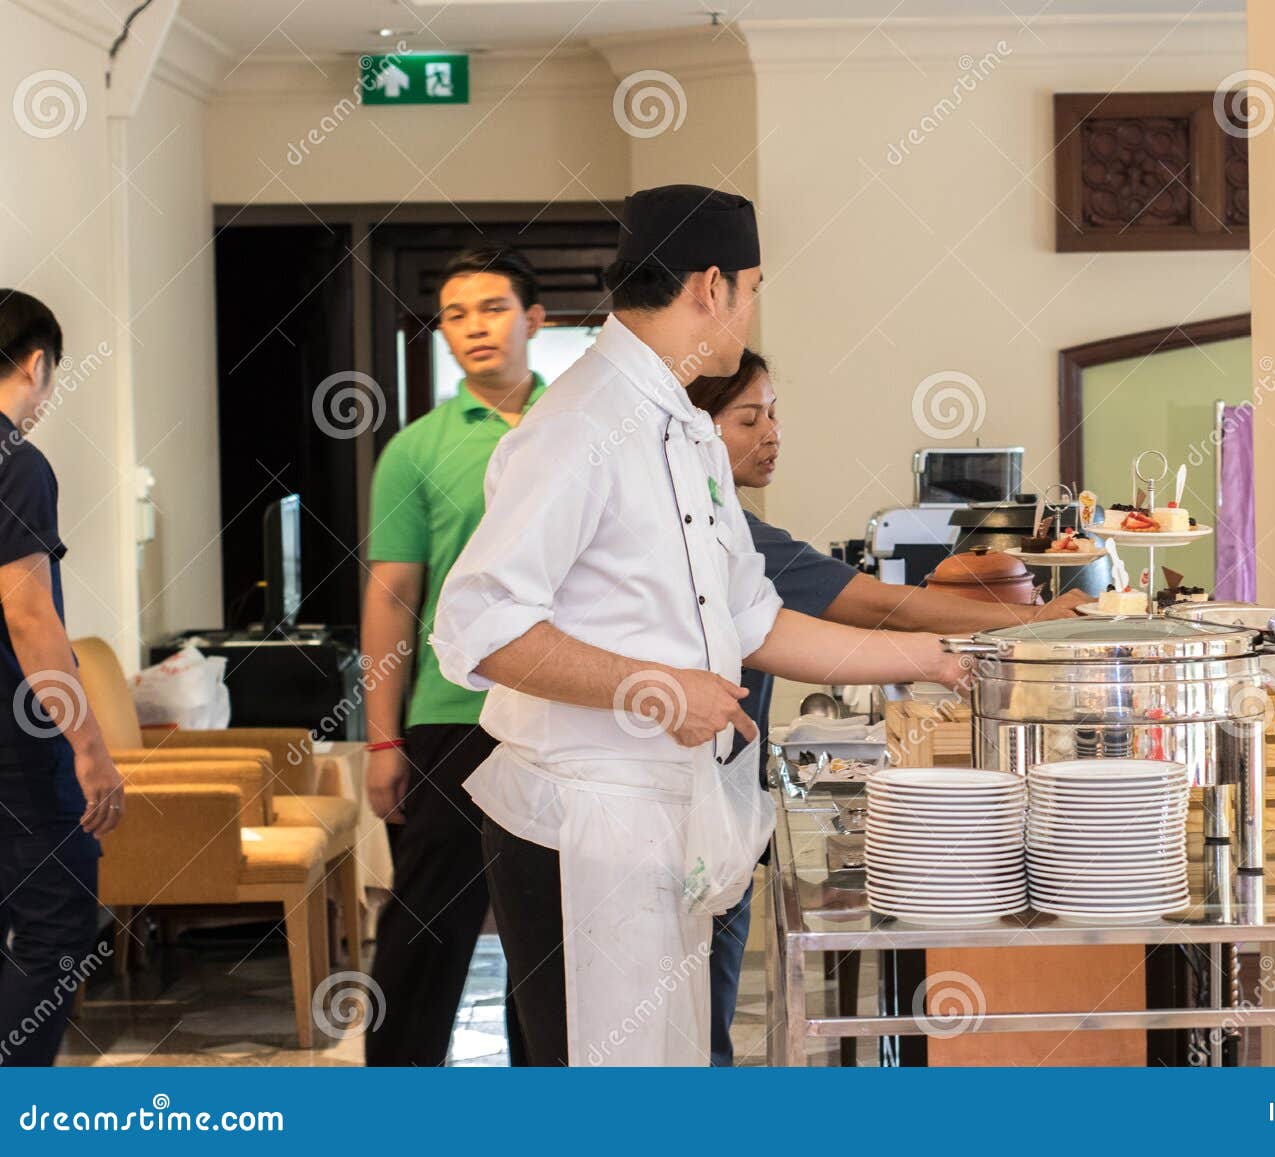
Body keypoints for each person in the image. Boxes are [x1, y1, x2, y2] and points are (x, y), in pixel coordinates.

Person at [430, 183, 968, 1066]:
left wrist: (935, 657)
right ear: (710, 286)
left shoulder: (680, 426)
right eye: (752, 286)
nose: (751, 307)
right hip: (580, 832)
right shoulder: (579, 423)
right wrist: (654, 687)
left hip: (660, 827)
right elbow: (478, 625)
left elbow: (757, 621)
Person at [687, 349, 1089, 1065]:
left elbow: (866, 607)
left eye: (775, 413)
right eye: (750, 418)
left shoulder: (736, 530)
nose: (773, 432)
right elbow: (872, 604)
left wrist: (963, 641)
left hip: (721, 803)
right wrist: (1007, 629)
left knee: (699, 1023)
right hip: (693, 809)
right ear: (693, 432)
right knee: (691, 1030)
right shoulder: (726, 534)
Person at [362, 245, 552, 1067]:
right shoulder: (416, 449)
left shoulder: (584, 429)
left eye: (494, 307)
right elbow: (393, 596)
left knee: (545, 930)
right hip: (453, 715)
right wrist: (381, 737)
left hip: (564, 710)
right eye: (455, 314)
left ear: (535, 320)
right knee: (426, 923)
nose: (475, 327)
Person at [0, 290, 125, 1067]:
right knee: (58, 924)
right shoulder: (17, 461)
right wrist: (89, 746)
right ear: (37, 363)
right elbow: (29, 615)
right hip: (18, 750)